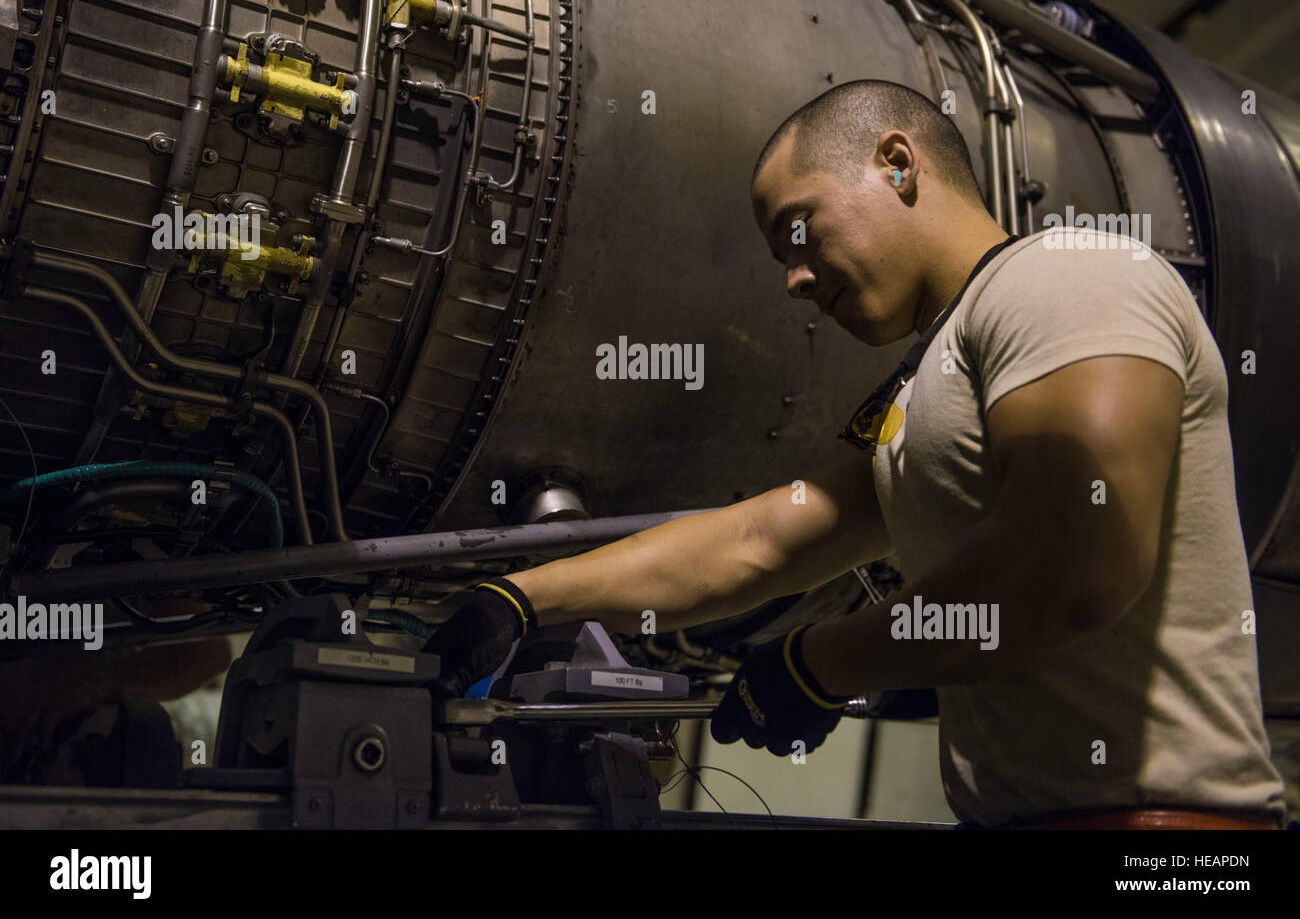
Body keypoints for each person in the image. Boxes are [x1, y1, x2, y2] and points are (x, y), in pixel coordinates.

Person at [424, 79, 1287, 830]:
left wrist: (824, 661)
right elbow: (762, 541)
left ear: (898, 164)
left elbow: (1071, 561)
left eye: (799, 230)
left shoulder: (1069, 276)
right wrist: (525, 598)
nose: (794, 282)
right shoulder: (927, 382)